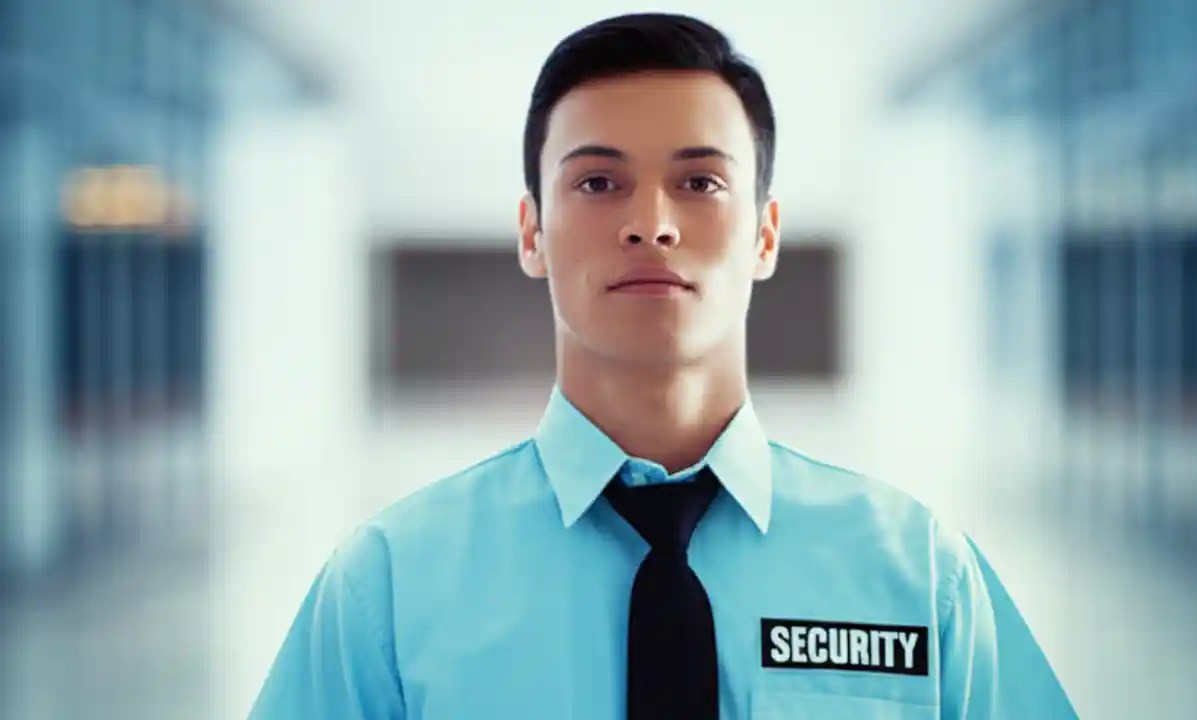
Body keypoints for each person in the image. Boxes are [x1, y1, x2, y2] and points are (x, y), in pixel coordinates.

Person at [249, 12, 1076, 719]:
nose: (652, 223)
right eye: (600, 181)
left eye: (700, 182)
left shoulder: (920, 574)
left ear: (765, 233)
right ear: (532, 232)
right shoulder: (390, 589)